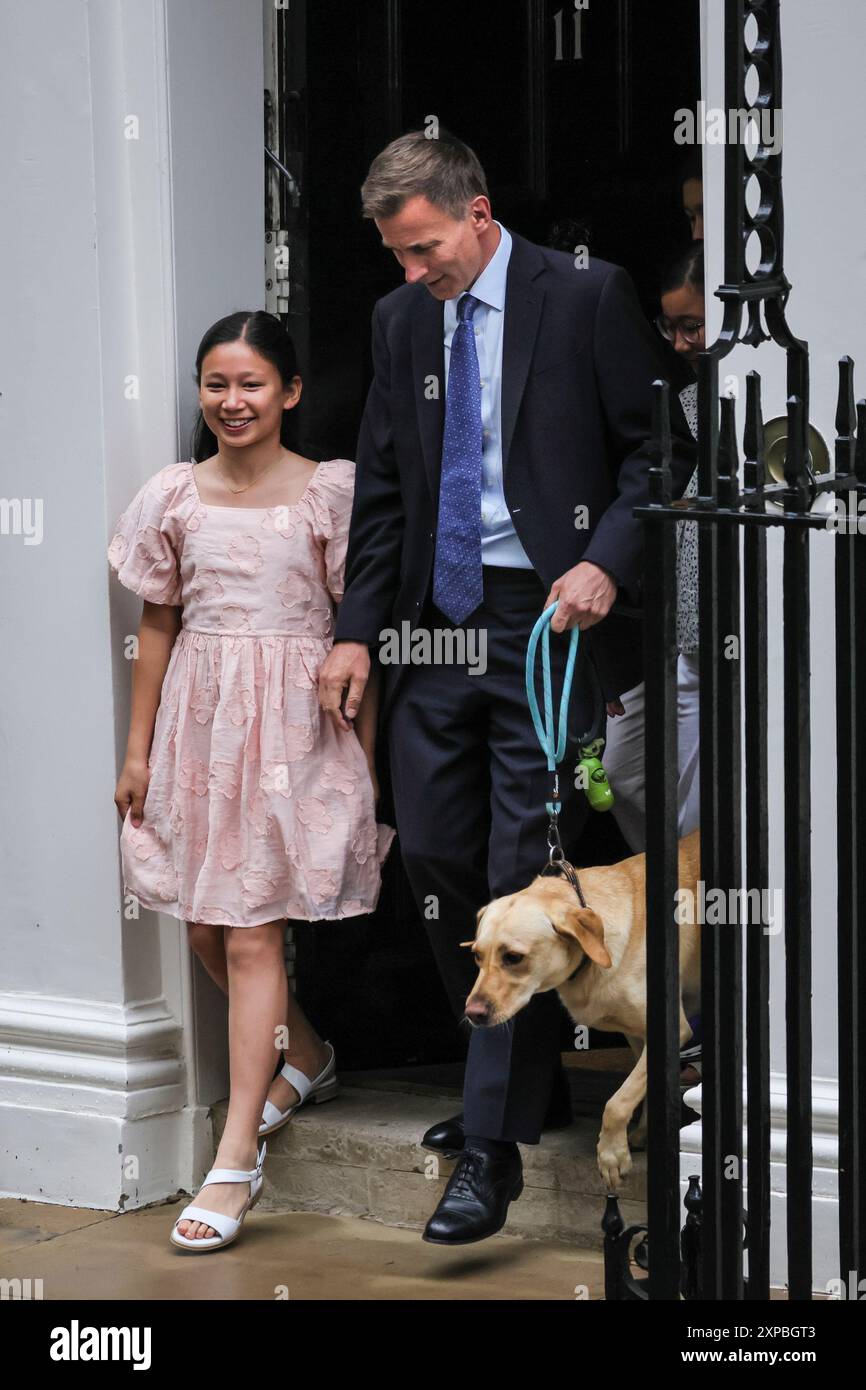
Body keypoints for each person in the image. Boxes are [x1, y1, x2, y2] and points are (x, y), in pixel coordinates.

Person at [318, 132, 696, 1245]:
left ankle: (488, 1154)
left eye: (424, 248)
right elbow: (383, 491)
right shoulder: (398, 323)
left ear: (477, 215)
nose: (410, 271)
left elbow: (655, 456)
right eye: (396, 253)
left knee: (509, 870)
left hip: (549, 617)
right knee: (432, 853)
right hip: (435, 627)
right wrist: (353, 635)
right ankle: (520, 1080)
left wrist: (603, 561)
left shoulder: (585, 296)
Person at [108, 311, 393, 1251]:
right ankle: (305, 1053)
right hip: (201, 723)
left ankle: (235, 1158)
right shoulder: (173, 497)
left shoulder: (328, 494)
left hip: (296, 724)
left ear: (291, 393)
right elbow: (156, 628)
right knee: (203, 926)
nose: (233, 402)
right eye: (216, 385)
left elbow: (364, 640)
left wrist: (366, 763)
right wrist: (140, 748)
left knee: (251, 933)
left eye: (253, 385)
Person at [602, 241, 704, 1084]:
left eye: (693, 324)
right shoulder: (673, 395)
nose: (679, 341)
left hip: (723, 639)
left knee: (703, 826)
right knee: (630, 770)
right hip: (667, 635)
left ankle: (693, 1005)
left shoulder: (743, 396)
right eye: (669, 327)